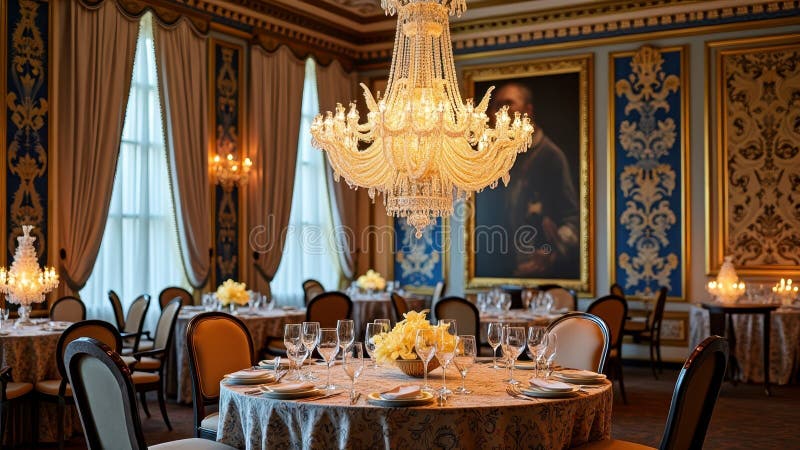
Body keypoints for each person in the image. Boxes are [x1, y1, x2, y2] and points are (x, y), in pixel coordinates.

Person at [479, 81, 579, 279]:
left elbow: (574, 220)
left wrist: (552, 248)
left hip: (545, 277)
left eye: (508, 104)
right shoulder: (491, 156)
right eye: (496, 106)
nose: (500, 112)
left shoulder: (550, 156)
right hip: (498, 274)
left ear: (528, 110)